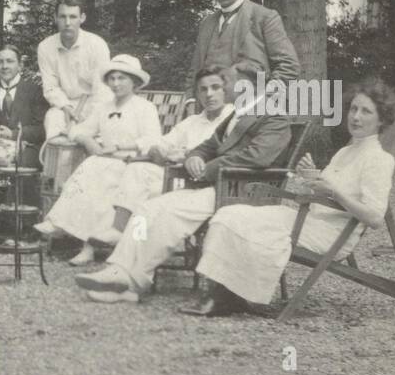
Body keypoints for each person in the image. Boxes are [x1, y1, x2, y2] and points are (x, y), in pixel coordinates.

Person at [185, 79, 395, 316]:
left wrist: (333, 192)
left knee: (245, 223)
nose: (356, 117)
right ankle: (227, 292)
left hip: (329, 234)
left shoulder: (379, 160)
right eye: (353, 109)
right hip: (309, 218)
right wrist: (312, 176)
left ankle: (226, 296)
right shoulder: (346, 151)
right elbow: (329, 190)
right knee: (228, 213)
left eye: (366, 111)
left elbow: (375, 217)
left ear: (381, 120)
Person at [75, 102, 292, 304]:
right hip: (218, 188)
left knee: (170, 214)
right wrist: (194, 157)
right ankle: (120, 270)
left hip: (241, 192)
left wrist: (209, 168)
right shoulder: (238, 115)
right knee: (149, 208)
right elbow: (207, 146)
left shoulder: (275, 118)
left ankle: (132, 284)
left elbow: (257, 157)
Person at [32, 55, 161, 265]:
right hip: (106, 161)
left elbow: (153, 140)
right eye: (112, 78)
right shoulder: (104, 107)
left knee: (99, 178)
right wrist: (87, 141)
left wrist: (120, 146)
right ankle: (64, 228)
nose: (116, 83)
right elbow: (77, 130)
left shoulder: (145, 108)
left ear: (134, 82)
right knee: (92, 169)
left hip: (135, 164)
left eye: (122, 78)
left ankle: (82, 242)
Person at [104, 64, 237, 242]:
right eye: (203, 89)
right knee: (138, 171)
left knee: (143, 189)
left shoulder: (234, 120)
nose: (209, 94)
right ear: (197, 94)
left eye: (215, 88)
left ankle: (135, 241)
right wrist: (159, 151)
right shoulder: (192, 122)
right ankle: (120, 232)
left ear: (226, 90)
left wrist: (187, 155)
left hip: (207, 184)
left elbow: (226, 155)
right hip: (177, 177)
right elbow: (160, 144)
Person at [191, 0, 299, 88]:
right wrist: (191, 99)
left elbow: (289, 64)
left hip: (250, 102)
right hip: (210, 103)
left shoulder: (264, 17)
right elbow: (195, 69)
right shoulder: (207, 23)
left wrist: (267, 95)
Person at [35, 0, 113, 140]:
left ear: (82, 18)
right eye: (63, 17)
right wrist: (66, 107)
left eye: (73, 17)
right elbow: (51, 87)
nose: (68, 22)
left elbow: (102, 91)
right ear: (55, 18)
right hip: (65, 105)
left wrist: (85, 122)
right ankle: (56, 161)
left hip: (95, 105)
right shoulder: (45, 47)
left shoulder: (97, 45)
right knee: (52, 119)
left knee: (87, 138)